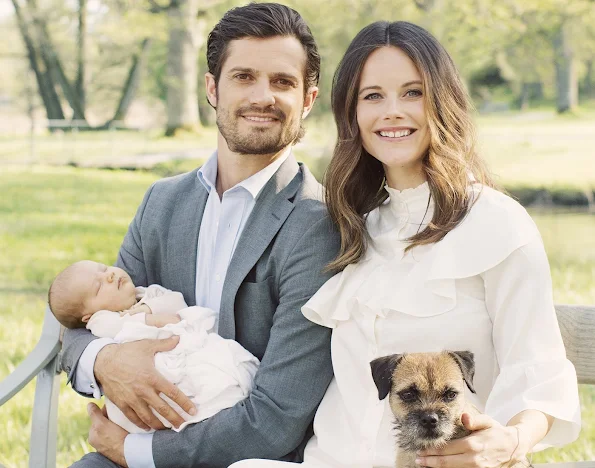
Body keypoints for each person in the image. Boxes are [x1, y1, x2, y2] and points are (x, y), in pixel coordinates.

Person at [231, 20, 581, 468]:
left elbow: (539, 370)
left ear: (442, 102)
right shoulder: (355, 227)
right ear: (352, 115)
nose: (392, 111)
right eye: (372, 96)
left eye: (412, 93)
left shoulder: (497, 223)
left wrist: (510, 442)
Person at [61, 3, 340, 467]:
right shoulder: (162, 202)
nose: (262, 96)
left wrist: (135, 451)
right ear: (213, 88)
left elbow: (277, 419)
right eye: (244, 77)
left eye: (283, 82)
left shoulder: (320, 224)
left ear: (308, 99)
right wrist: (103, 363)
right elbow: (86, 316)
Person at [49, 260, 259, 434]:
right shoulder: (101, 320)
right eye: (98, 287)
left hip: (183, 349)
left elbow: (176, 303)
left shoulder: (146, 294)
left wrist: (146, 310)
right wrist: (148, 319)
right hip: (155, 374)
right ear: (88, 316)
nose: (110, 276)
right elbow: (124, 327)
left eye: (104, 269)